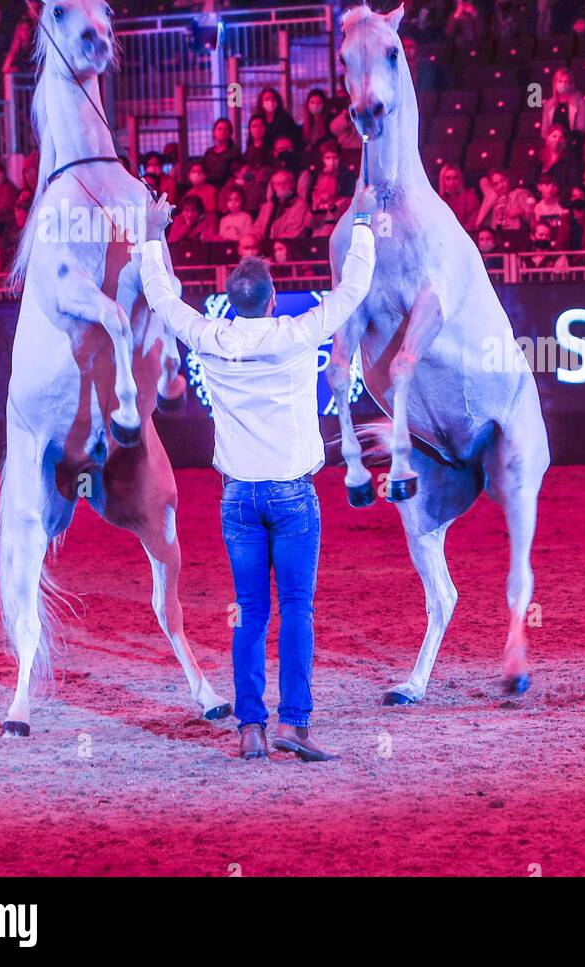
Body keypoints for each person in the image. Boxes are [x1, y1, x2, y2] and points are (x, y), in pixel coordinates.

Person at [138, 187, 378, 762]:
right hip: (292, 495)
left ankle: (251, 727)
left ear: (230, 301)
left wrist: (153, 233)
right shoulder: (295, 334)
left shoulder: (212, 337)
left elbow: (162, 297)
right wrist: (363, 221)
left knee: (250, 611)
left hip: (239, 499)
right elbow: (354, 288)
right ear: (272, 301)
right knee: (296, 608)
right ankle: (294, 723)